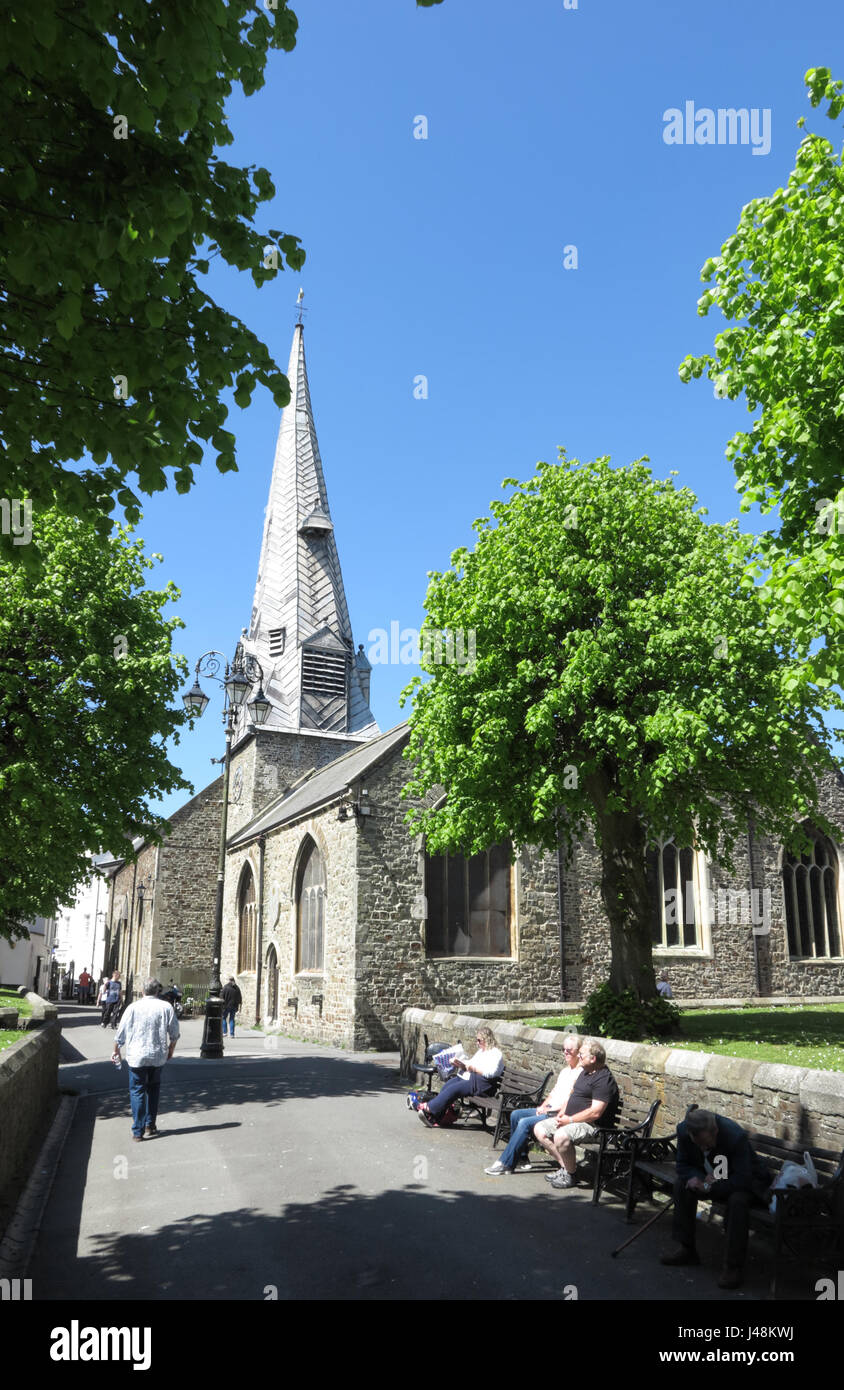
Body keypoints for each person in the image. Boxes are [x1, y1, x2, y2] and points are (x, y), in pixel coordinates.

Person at [660, 1107, 772, 1289]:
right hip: (712, 1177)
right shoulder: (683, 1131)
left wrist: (708, 1186)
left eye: (707, 1143)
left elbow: (743, 1179)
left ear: (715, 1131)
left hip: (747, 1182)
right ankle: (687, 1248)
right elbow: (683, 1164)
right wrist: (695, 1178)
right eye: (699, 1144)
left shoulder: (734, 1136)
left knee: (738, 1202)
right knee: (682, 1185)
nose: (704, 1149)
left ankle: (733, 1267)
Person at [484, 1034, 583, 1175]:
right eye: (563, 1049)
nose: (565, 1052)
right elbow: (553, 1093)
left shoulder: (580, 1074)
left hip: (558, 1113)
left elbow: (571, 1100)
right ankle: (522, 1158)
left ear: (579, 1052)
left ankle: (505, 1163)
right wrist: (543, 1106)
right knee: (515, 1115)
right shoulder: (565, 1071)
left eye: (569, 1050)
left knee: (525, 1123)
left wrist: (550, 1110)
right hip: (548, 1109)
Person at [541, 1039, 620, 1189]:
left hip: (594, 1127)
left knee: (561, 1136)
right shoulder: (585, 1072)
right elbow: (572, 1095)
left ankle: (571, 1175)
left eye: (582, 1055)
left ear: (593, 1058)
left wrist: (569, 1120)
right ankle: (566, 1169)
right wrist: (562, 1114)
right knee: (540, 1129)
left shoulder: (604, 1079)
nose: (579, 1057)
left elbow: (595, 1113)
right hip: (572, 1120)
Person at [112, 978, 180, 1142]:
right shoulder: (166, 1007)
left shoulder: (133, 1007)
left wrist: (116, 1050)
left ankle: (138, 1131)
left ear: (142, 991)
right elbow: (174, 1032)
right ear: (157, 991)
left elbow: (121, 1032)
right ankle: (150, 1124)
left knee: (137, 1090)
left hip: (137, 1055)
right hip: (157, 1055)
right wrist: (171, 1049)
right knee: (153, 1089)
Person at [418, 1026, 504, 1126]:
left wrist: (474, 1069)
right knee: (448, 1086)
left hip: (484, 1085)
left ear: (487, 1039)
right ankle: (437, 1117)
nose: (477, 1043)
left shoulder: (496, 1054)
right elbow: (471, 1063)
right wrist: (459, 1063)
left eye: (479, 1040)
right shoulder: (481, 1052)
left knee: (454, 1089)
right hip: (472, 1079)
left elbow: (492, 1073)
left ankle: (430, 1109)